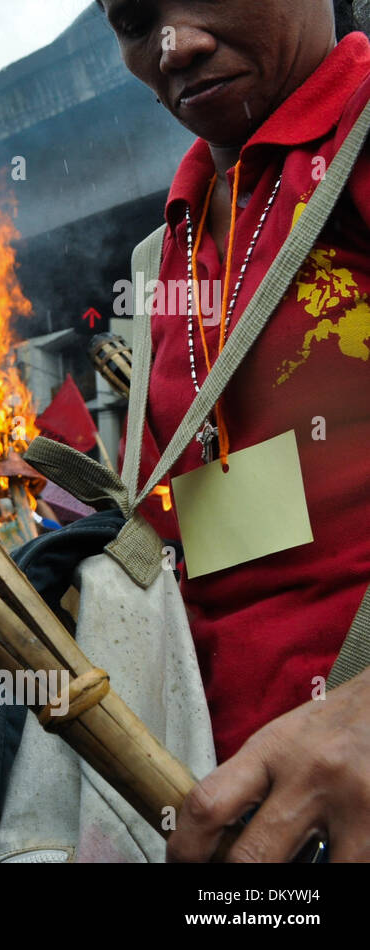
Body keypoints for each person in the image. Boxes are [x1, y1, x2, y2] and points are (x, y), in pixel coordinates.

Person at [92, 0, 370, 861]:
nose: (174, 45)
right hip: (221, 814)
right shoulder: (160, 255)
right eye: (135, 20)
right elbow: (201, 542)